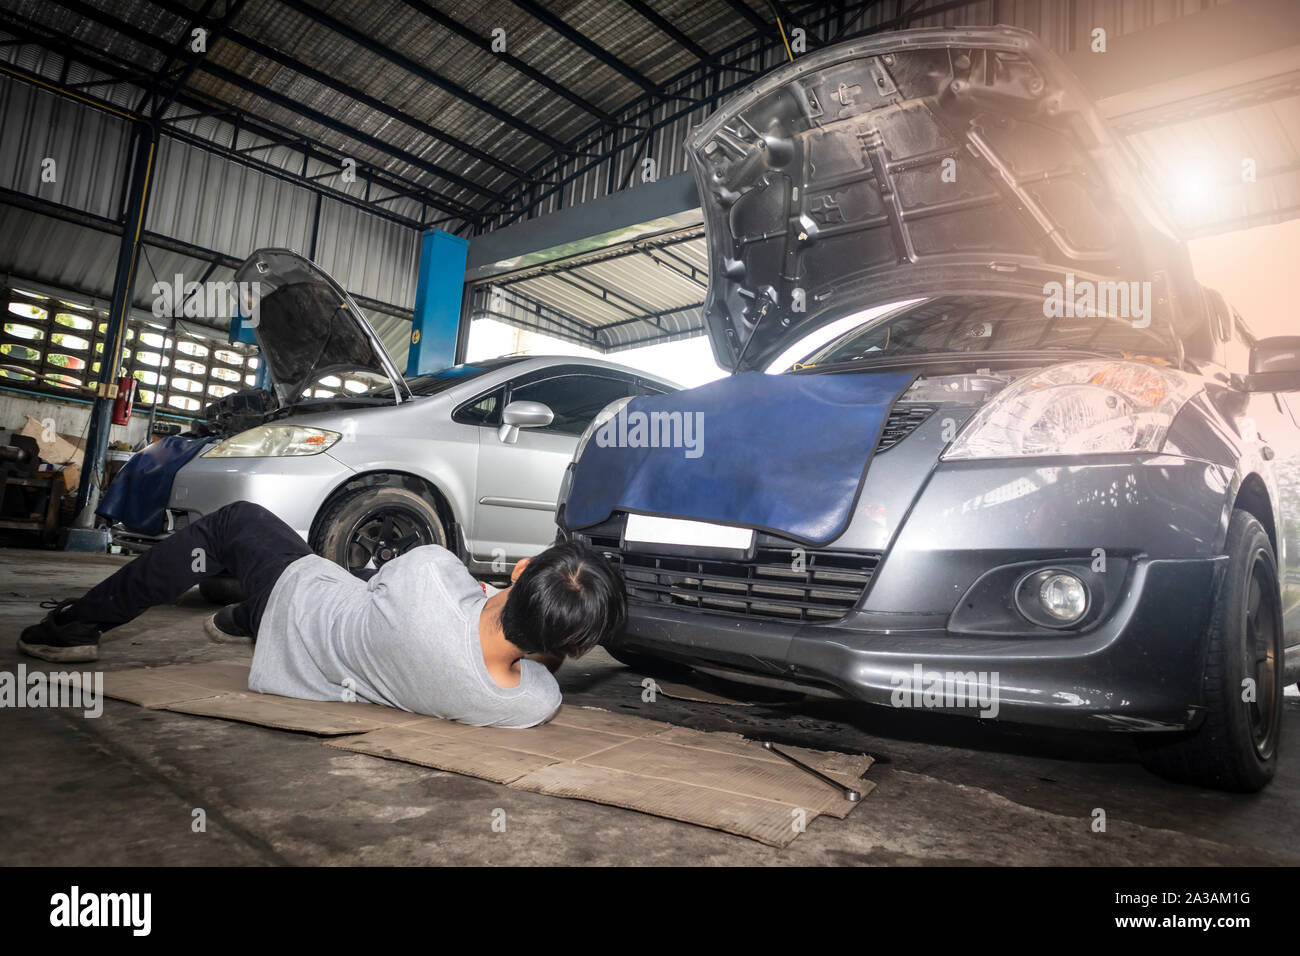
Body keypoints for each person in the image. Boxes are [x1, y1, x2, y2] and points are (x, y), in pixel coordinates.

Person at [17, 501, 626, 728]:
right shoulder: (529, 705)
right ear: (572, 644)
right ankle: (242, 619)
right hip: (325, 664)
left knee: (235, 524)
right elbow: (538, 665)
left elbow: (386, 583)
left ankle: (74, 625)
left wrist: (482, 588)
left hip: (299, 598)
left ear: (521, 571)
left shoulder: (431, 574)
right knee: (361, 594)